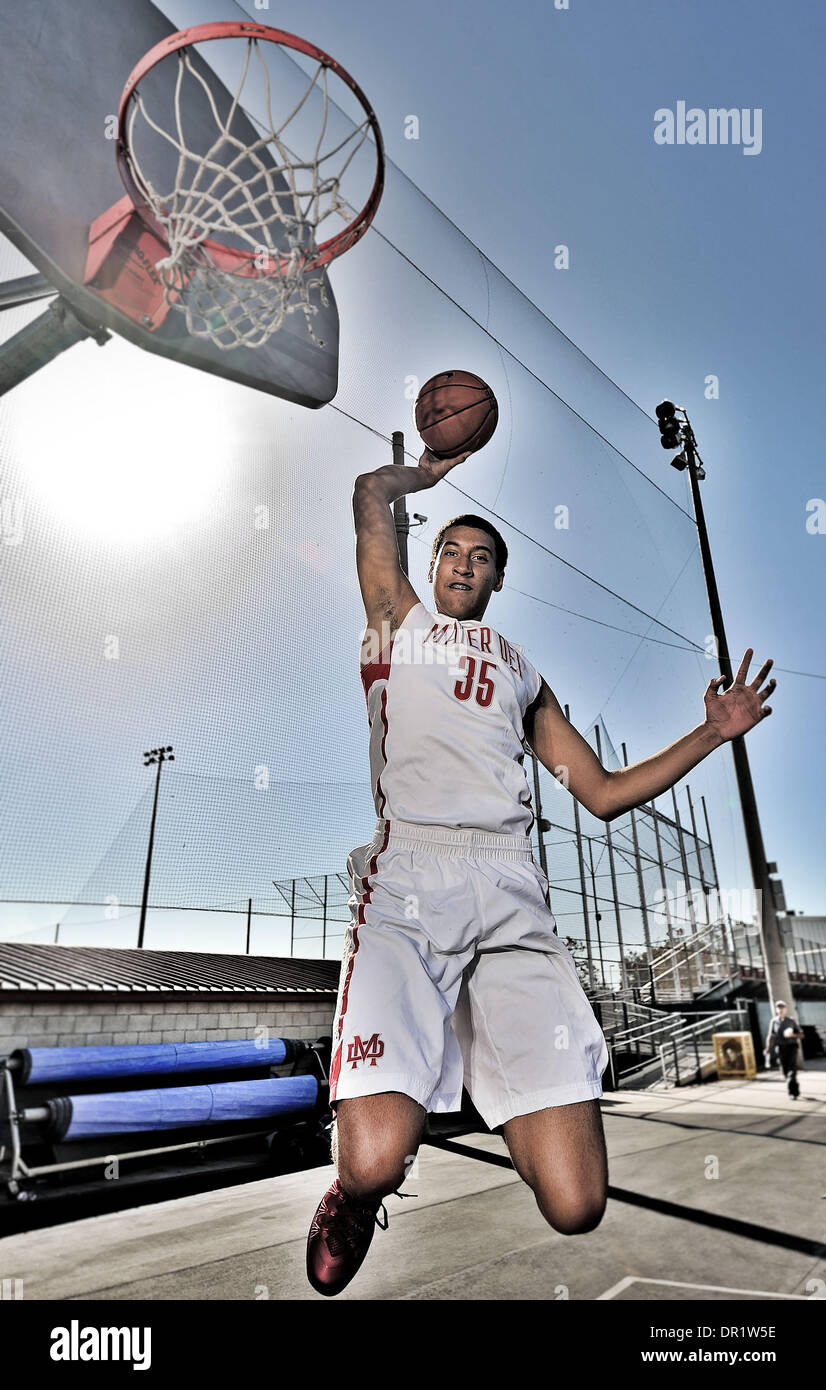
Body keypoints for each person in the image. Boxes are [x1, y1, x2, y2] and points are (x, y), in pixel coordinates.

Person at [306, 444, 778, 1297]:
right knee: (373, 1162)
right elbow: (369, 492)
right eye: (452, 550)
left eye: (482, 557)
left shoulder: (523, 673)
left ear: (497, 579)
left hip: (510, 891)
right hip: (408, 880)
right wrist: (423, 473)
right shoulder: (394, 625)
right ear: (431, 564)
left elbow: (601, 792)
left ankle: (468, 1082)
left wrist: (712, 732)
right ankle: (355, 1192)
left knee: (576, 1202)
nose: (464, 564)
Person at [765, 1000, 803, 1098]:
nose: (781, 1009)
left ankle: (793, 1092)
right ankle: (793, 1086)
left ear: (786, 1009)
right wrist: (767, 1048)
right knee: (785, 1070)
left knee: (792, 1069)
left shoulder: (791, 1020)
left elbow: (801, 1035)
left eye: (782, 1007)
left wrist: (793, 1035)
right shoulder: (774, 1021)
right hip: (781, 1048)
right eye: (779, 1007)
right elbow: (771, 1036)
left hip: (792, 1047)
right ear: (776, 1010)